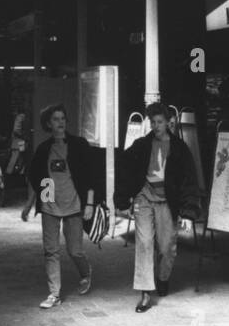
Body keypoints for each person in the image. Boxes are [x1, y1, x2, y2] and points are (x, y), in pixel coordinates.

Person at [115, 101, 200, 313]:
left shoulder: (180, 149)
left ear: (169, 122)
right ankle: (145, 293)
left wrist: (188, 212)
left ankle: (162, 278)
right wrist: (122, 200)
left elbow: (189, 180)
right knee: (144, 243)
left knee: (166, 247)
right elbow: (124, 167)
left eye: (159, 122)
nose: (156, 126)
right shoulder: (142, 145)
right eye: (152, 122)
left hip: (167, 202)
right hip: (145, 198)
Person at [22, 104, 103, 309]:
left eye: (63, 119)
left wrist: (90, 203)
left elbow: (91, 177)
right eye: (56, 119)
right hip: (49, 202)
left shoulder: (78, 145)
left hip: (74, 203)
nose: (60, 122)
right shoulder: (43, 149)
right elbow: (36, 179)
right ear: (49, 124)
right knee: (51, 250)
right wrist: (29, 204)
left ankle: (86, 272)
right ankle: (54, 294)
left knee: (74, 250)